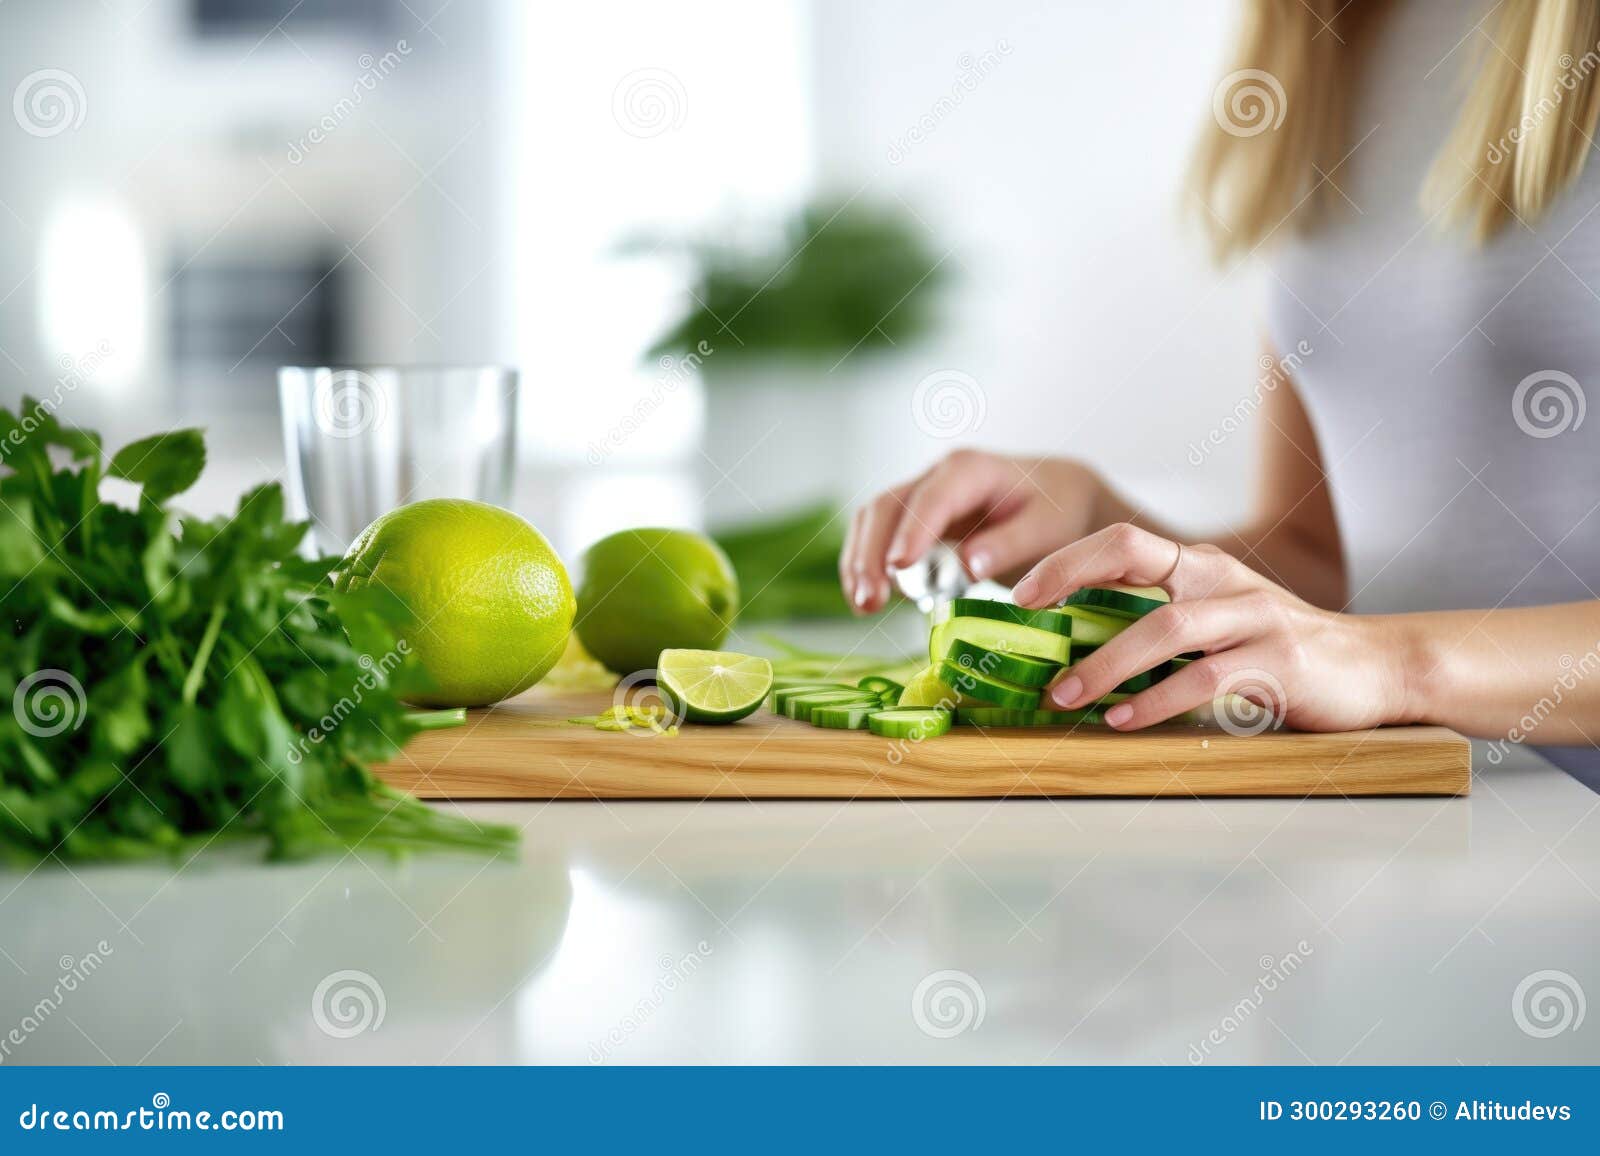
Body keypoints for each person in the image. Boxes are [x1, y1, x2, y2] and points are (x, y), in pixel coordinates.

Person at [840, 0, 1600, 781]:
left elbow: (1365, 649)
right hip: (1426, 815)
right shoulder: (1333, 37)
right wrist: (1109, 527)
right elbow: (1323, 561)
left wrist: (1399, 667)